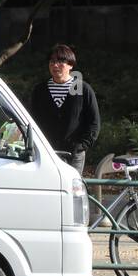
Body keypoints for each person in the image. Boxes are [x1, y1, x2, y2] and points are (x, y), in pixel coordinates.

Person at [29, 43, 100, 176]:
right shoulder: (40, 90)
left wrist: (80, 146)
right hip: (46, 153)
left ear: (70, 65)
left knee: (72, 191)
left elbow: (94, 123)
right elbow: (31, 120)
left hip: (74, 155)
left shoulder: (83, 89)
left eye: (61, 61)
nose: (55, 65)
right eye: (52, 61)